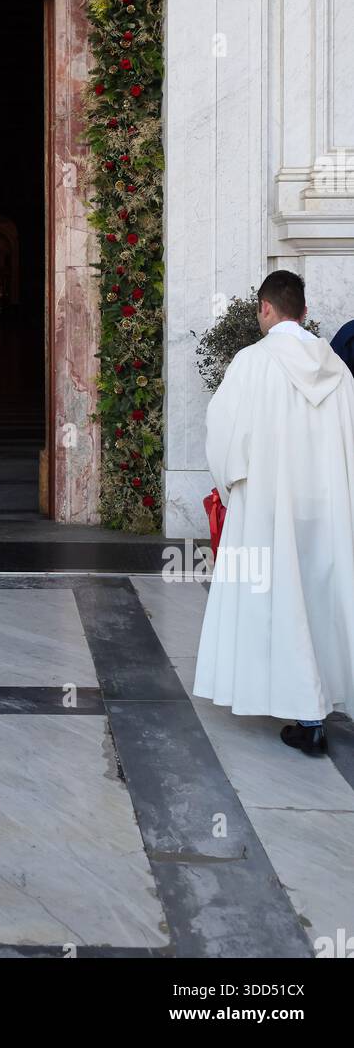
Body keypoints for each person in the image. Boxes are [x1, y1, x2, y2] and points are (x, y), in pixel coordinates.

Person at [193, 270, 354, 754]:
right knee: (326, 601)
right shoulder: (339, 370)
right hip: (327, 506)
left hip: (269, 506)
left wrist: (229, 483)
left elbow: (223, 436)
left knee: (281, 606)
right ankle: (325, 701)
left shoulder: (251, 362)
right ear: (303, 312)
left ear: (265, 309)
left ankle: (305, 714)